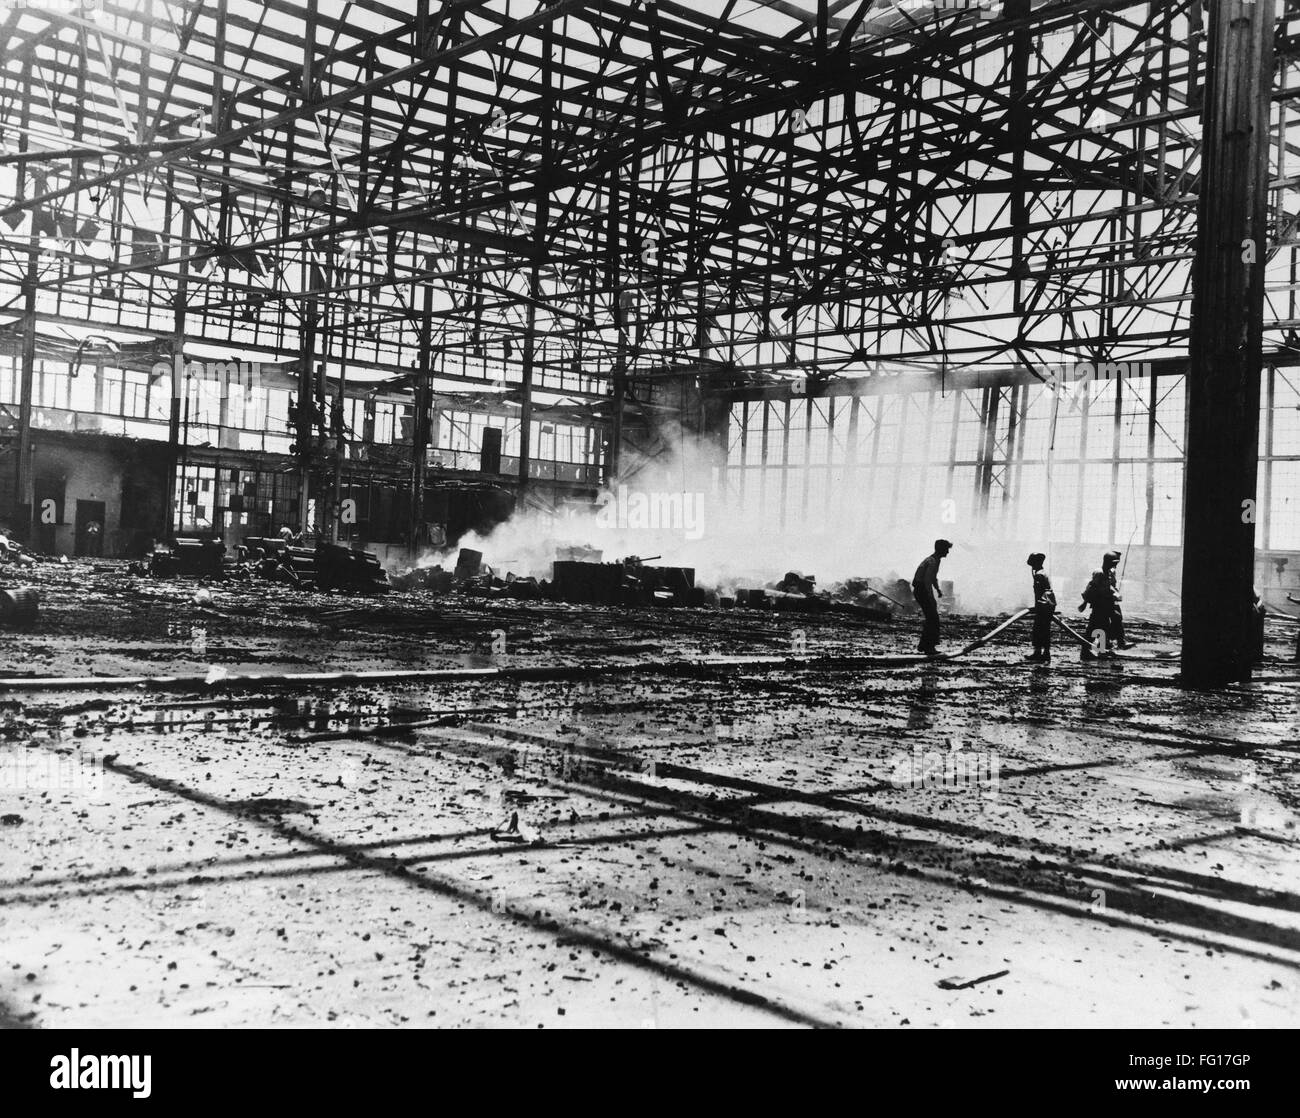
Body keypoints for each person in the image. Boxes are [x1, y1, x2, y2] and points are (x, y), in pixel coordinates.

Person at [1078, 549, 1126, 658]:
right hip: (1099, 605)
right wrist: (1085, 602)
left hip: (1107, 604)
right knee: (1094, 628)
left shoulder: (1109, 572)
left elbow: (1110, 587)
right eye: (1114, 563)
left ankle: (1101, 650)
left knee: (1104, 627)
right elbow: (1091, 588)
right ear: (1108, 562)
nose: (1116, 566)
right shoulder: (1099, 573)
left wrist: (1115, 593)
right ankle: (1087, 651)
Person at [912, 539, 952, 656]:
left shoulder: (935, 560)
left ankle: (925, 645)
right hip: (921, 590)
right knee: (933, 618)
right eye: (946, 549)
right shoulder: (933, 561)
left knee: (931, 617)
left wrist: (938, 589)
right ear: (941, 549)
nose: (948, 552)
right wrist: (931, 597)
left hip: (921, 590)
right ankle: (928, 647)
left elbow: (933, 578)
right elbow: (927, 580)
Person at [1026, 552, 1056, 662]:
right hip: (1048, 603)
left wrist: (1037, 605)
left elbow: (1039, 592)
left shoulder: (1039, 575)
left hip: (1043, 604)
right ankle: (1046, 653)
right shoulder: (1043, 573)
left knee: (1038, 629)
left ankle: (1038, 653)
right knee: (1045, 629)